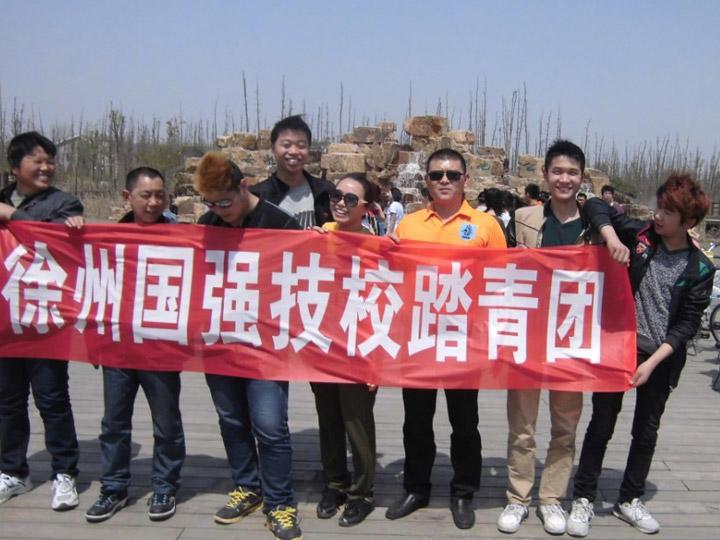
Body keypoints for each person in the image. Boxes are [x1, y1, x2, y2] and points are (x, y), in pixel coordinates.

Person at [566, 173, 714, 537]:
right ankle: (583, 496)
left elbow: (687, 324)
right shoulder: (641, 236)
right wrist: (612, 238)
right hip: (619, 349)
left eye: (668, 212)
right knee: (601, 424)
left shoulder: (700, 267)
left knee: (646, 432)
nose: (658, 215)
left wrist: (651, 363)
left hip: (660, 358)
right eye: (658, 207)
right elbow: (595, 205)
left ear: (688, 222)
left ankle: (630, 498)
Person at [386, 148, 506, 530]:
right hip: (419, 337)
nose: (444, 180)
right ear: (426, 179)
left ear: (465, 180)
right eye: (436, 174)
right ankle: (416, 488)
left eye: (452, 174)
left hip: (464, 340)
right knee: (416, 421)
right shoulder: (408, 225)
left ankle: (463, 491)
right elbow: (389, 274)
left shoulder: (485, 226)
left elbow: (502, 282)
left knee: (464, 422)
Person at [194, 151, 302, 540]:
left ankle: (280, 502)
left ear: (243, 186)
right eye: (210, 204)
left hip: (265, 347)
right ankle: (247, 487)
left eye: (224, 202)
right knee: (231, 419)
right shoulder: (206, 225)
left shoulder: (280, 224)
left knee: (270, 426)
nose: (218, 211)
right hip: (220, 342)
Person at [497, 140, 591, 535]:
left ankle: (551, 498)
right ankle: (518, 497)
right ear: (545, 175)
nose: (564, 179)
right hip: (528, 335)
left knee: (565, 428)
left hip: (572, 338)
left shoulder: (595, 224)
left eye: (572, 172)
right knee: (522, 426)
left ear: (581, 177)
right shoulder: (524, 218)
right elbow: (495, 267)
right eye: (558, 171)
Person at [84, 167, 186, 524]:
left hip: (161, 347)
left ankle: (165, 486)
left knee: (167, 424)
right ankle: (113, 488)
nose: (154, 202)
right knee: (114, 423)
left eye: (160, 195)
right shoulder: (109, 239)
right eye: (146, 195)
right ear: (127, 197)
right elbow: (94, 289)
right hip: (118, 346)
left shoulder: (181, 238)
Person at [0, 131, 83, 510]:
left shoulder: (64, 203)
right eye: (38, 160)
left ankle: (64, 472)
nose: (46, 167)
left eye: (50, 161)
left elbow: (48, 239)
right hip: (6, 319)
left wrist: (12, 216)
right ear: (15, 166)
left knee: (52, 399)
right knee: (8, 401)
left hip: (45, 318)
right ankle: (13, 471)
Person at [311, 173, 378, 527]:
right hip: (323, 342)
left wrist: (375, 362)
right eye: (336, 195)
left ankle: (362, 492)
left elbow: (385, 304)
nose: (340, 203)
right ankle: (335, 484)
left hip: (358, 347)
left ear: (366, 207)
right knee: (328, 419)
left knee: (357, 422)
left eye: (351, 199)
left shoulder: (376, 246)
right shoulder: (322, 235)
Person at [251, 114, 334, 228]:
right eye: (286, 145)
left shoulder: (325, 192)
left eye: (301, 146)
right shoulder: (258, 196)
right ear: (273, 148)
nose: (294, 151)